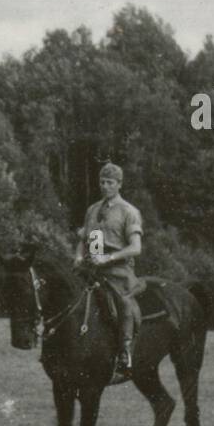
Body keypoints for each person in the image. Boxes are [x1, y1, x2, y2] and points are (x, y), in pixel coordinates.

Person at [75, 162, 143, 382]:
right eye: (102, 182)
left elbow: (135, 247)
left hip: (118, 270)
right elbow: (83, 239)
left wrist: (109, 257)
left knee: (123, 303)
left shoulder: (129, 212)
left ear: (119, 184)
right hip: (91, 268)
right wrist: (78, 257)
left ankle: (124, 352)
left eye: (110, 182)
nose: (105, 186)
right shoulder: (92, 210)